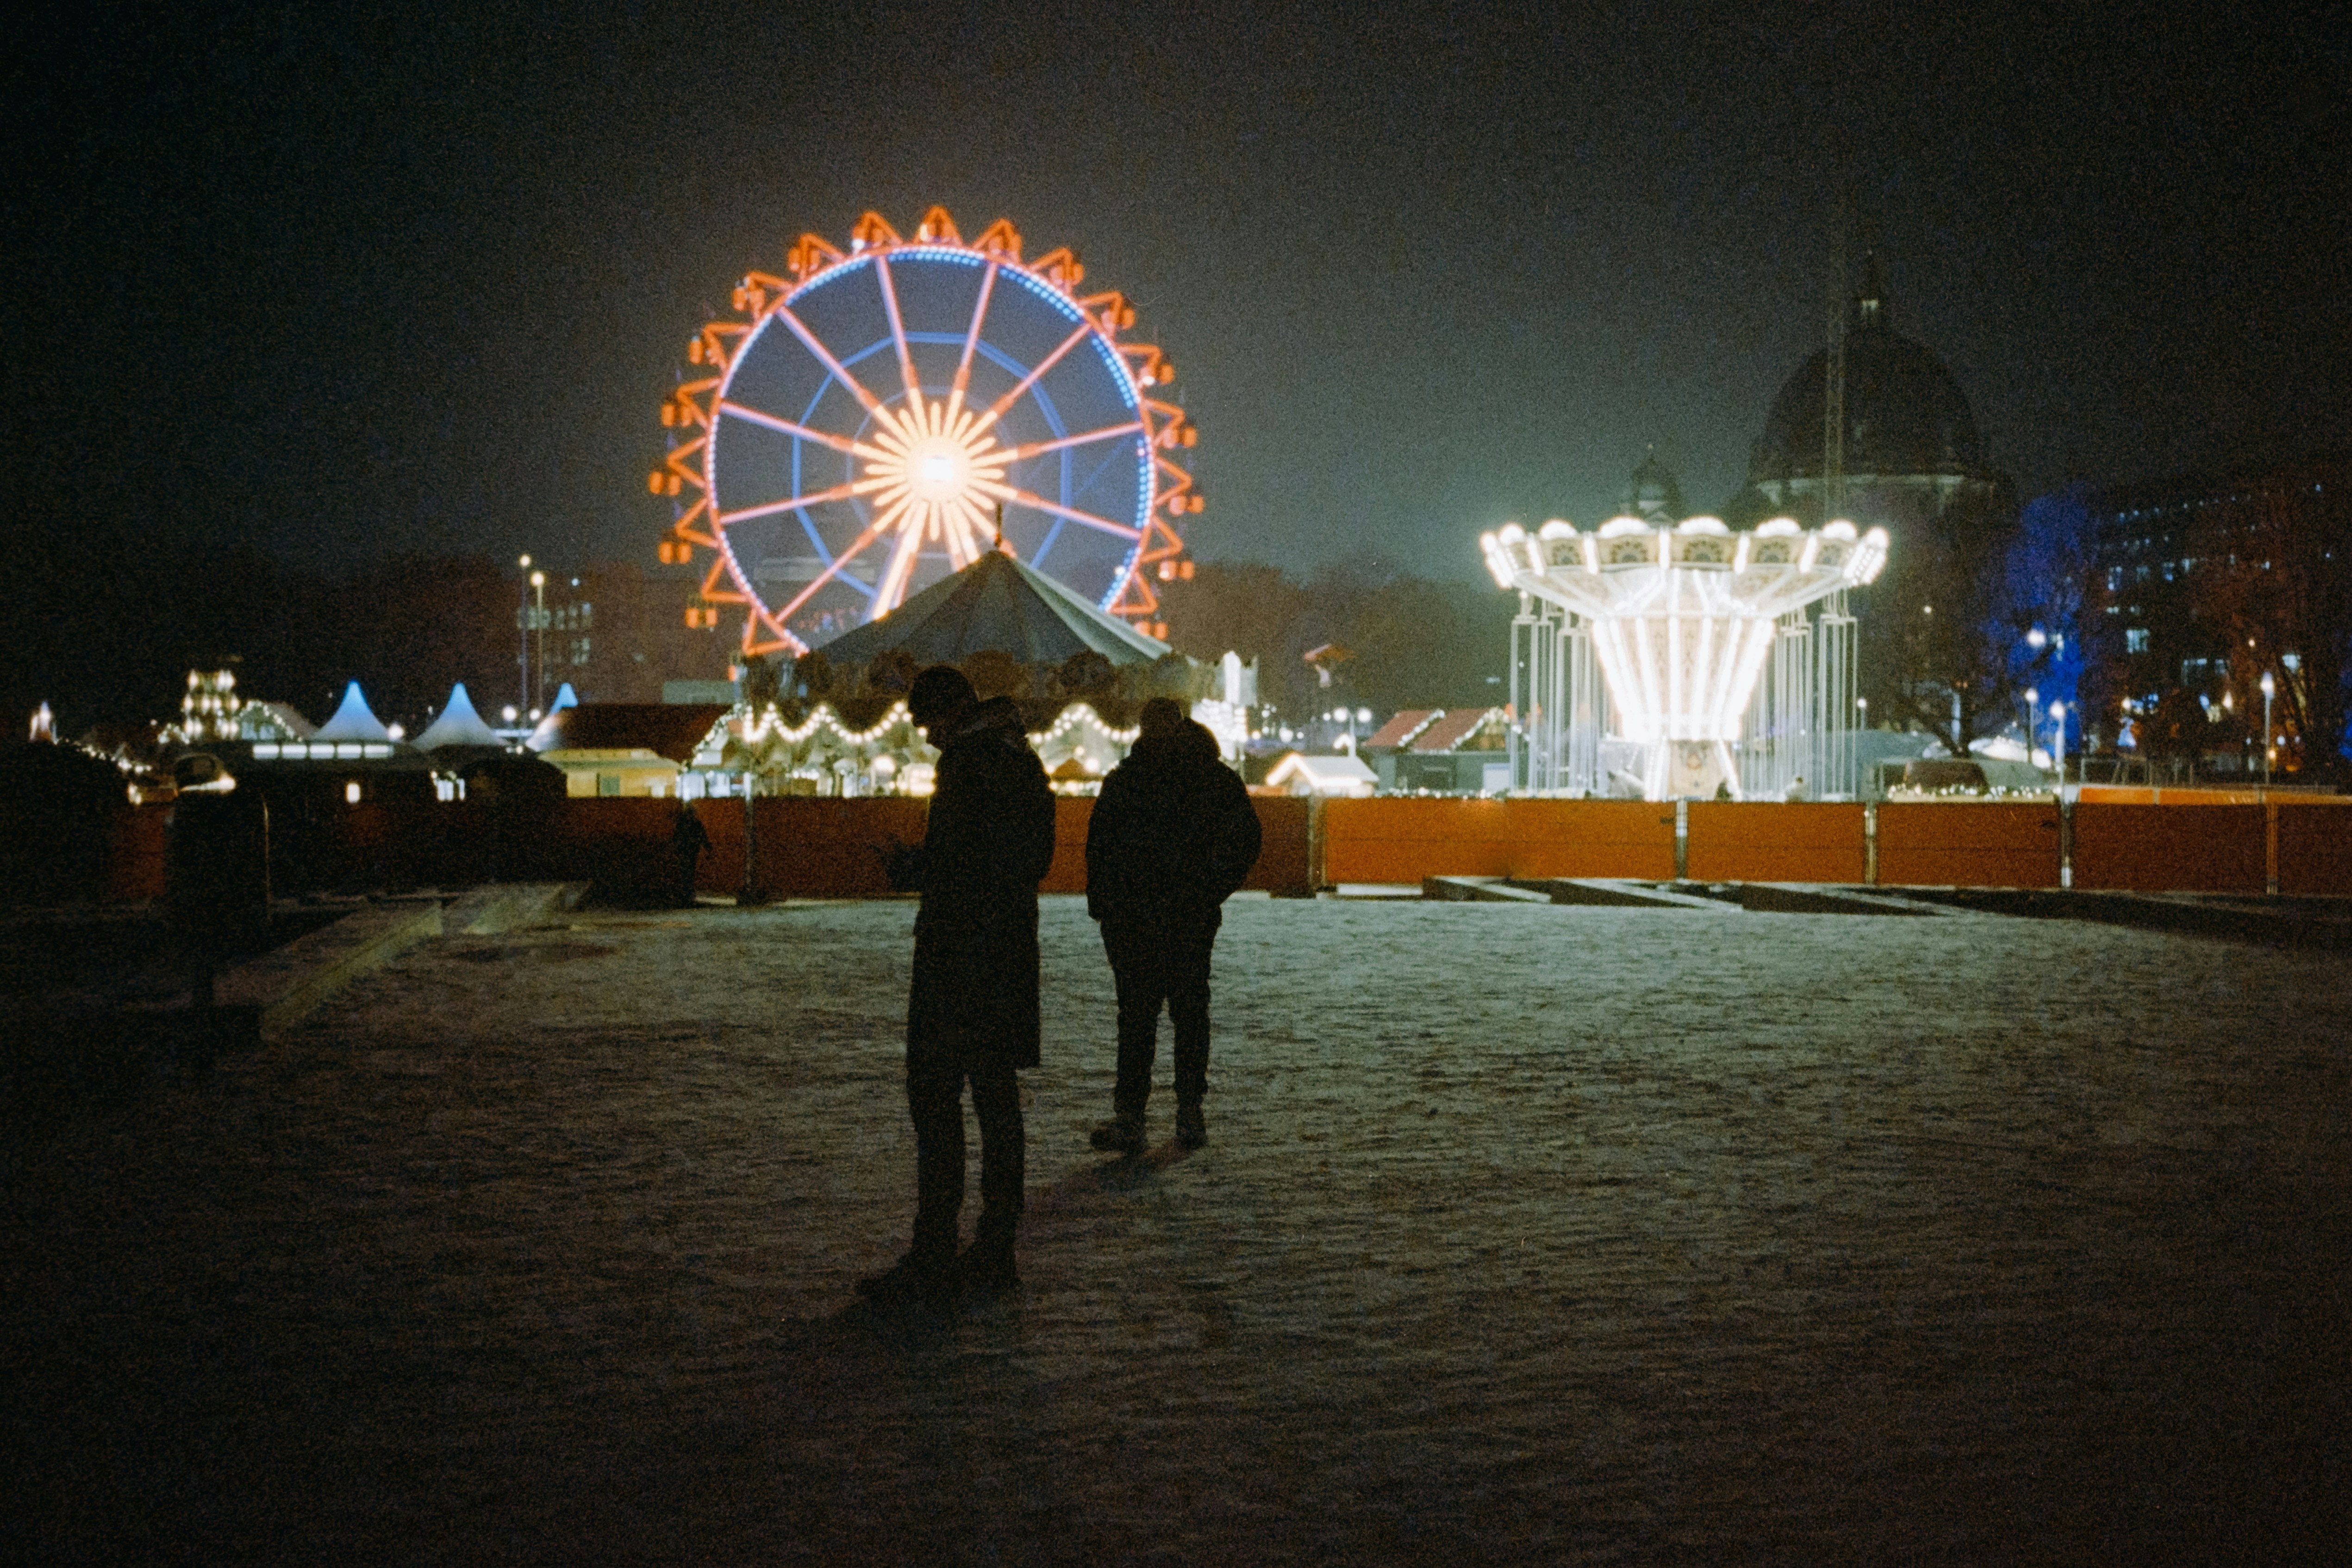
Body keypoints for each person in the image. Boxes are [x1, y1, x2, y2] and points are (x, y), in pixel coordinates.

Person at [858, 665, 1057, 1306]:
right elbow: (1029, 857)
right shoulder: (1021, 757)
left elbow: (958, 859)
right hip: (1008, 953)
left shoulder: (969, 764)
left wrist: (911, 865)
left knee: (935, 1098)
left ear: (948, 712)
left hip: (958, 954)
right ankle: (996, 1246)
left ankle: (934, 1246)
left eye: (926, 723)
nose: (925, 737)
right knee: (997, 1102)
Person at [1083, 697, 1262, 1154]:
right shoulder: (1211, 779)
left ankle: (1139, 1116)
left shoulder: (1127, 782)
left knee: (1142, 1019)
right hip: (1180, 915)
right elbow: (1244, 839)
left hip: (1145, 917)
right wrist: (1209, 889)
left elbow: (1100, 848)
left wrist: (1107, 906)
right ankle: (1184, 1113)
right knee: (1184, 1015)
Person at [670, 799, 711, 907]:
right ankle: (689, 894)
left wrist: (676, 849)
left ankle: (686, 894)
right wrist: (709, 849)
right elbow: (703, 837)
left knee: (685, 872)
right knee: (690, 872)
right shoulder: (696, 823)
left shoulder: (681, 823)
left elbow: (676, 837)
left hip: (684, 851)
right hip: (692, 851)